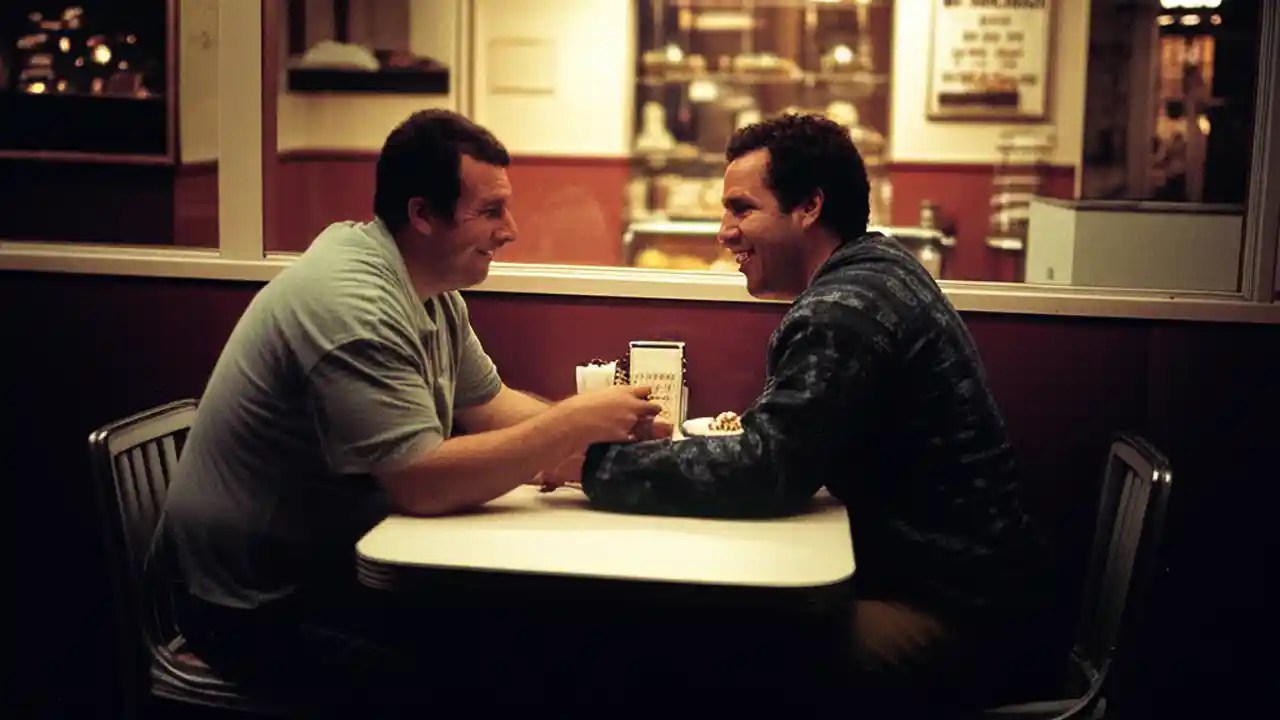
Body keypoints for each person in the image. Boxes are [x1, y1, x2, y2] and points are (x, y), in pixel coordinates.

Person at [158, 109, 665, 707]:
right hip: (251, 605)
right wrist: (570, 423)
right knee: (494, 669)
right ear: (422, 214)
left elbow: (490, 406)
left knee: (535, 635)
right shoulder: (353, 303)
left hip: (320, 568)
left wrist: (601, 439)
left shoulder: (428, 288)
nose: (512, 230)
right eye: (491, 211)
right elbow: (418, 482)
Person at [576, 114, 1054, 716]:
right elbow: (784, 446)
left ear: (808, 206)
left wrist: (595, 462)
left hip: (957, 621)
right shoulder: (876, 268)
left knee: (697, 649)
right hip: (969, 592)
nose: (724, 232)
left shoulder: (845, 307)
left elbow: (766, 471)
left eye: (742, 208)